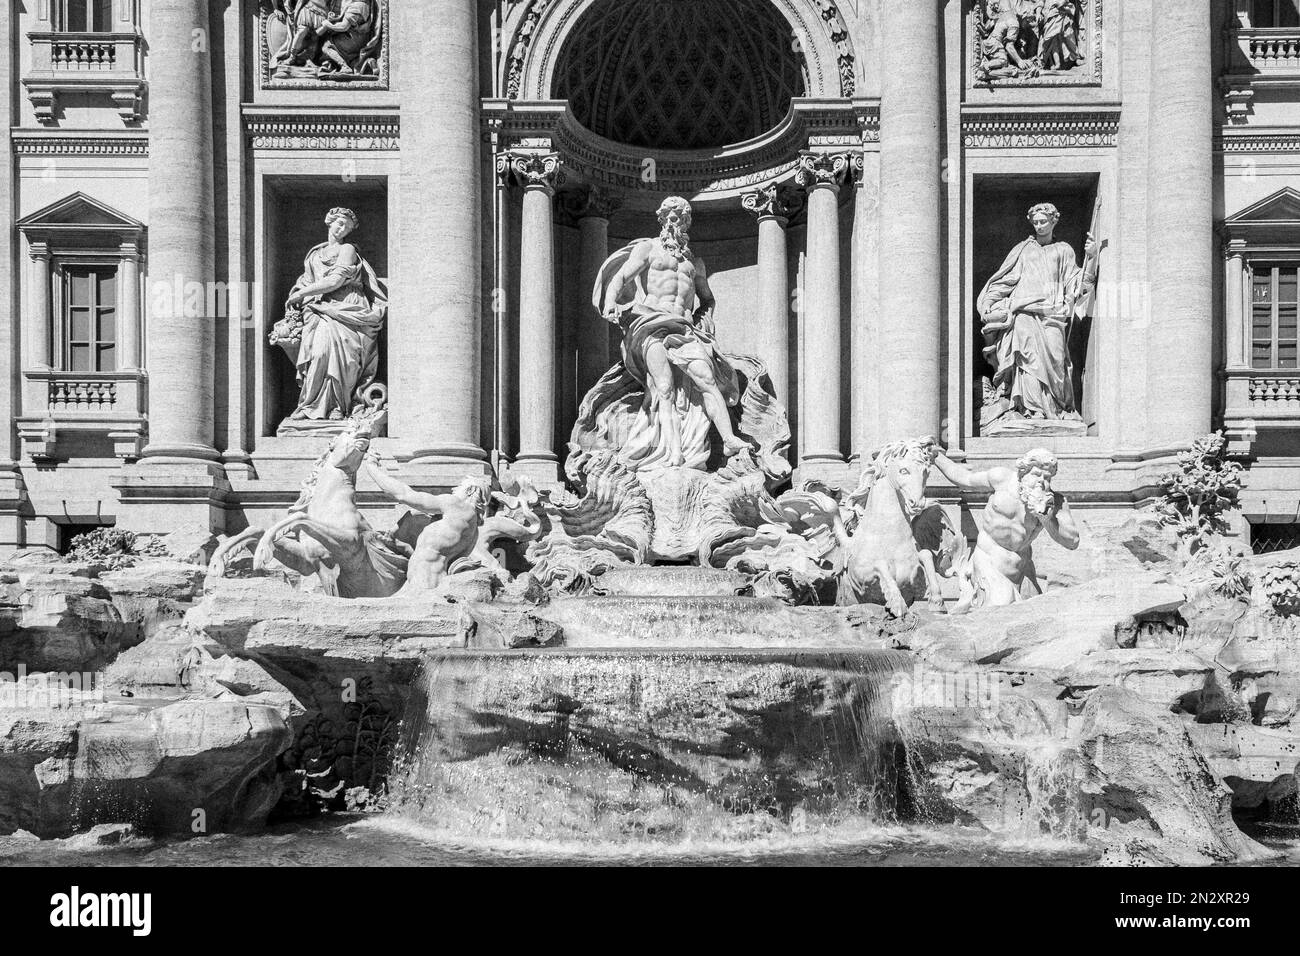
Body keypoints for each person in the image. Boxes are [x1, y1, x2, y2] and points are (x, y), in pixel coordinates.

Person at [978, 202, 1096, 423]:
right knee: (1026, 361)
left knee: (1057, 362)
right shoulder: (1023, 249)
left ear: (1054, 221)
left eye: (1044, 221)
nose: (1039, 226)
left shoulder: (1064, 250)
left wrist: (1092, 258)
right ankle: (1030, 411)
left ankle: (1058, 409)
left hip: (1052, 314)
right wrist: (989, 301)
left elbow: (1078, 285)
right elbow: (1005, 280)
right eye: (1036, 222)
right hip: (1023, 313)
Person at [277, 206, 387, 434]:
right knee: (317, 354)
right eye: (339, 223)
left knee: (345, 359)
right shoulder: (314, 254)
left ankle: (339, 406)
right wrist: (300, 293)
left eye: (347, 226)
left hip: (347, 307)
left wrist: (301, 294)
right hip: (318, 310)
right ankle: (309, 406)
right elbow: (307, 281)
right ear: (329, 222)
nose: (342, 229)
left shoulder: (348, 250)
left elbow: (336, 280)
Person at [929, 446, 1080, 609]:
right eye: (1036, 474)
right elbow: (964, 478)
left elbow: (1073, 541)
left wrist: (1047, 519)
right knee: (999, 609)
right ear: (1024, 472)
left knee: (1032, 618)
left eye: (1047, 478)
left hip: (1023, 569)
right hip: (990, 562)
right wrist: (937, 457)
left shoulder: (1055, 502)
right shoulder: (1002, 479)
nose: (1041, 482)